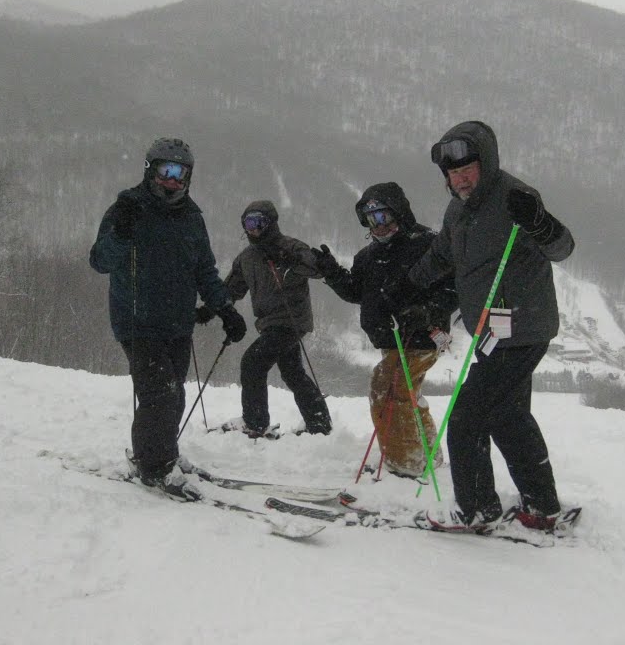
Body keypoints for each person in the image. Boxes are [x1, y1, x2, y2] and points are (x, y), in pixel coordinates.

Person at [408, 120, 575, 534]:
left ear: (486, 163)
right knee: (507, 416)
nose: (461, 179)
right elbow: (441, 256)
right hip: (493, 332)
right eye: (453, 173)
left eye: (468, 169)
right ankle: (541, 506)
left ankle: (478, 508)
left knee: (467, 418)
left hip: (522, 326)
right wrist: (407, 287)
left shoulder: (516, 198)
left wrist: (538, 221)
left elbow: (561, 247)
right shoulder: (457, 210)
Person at [89, 137, 248, 501]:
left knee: (174, 396)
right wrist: (121, 233)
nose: (174, 180)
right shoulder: (127, 208)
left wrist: (225, 309)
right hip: (137, 321)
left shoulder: (191, 217)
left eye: (182, 173)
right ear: (151, 170)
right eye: (167, 171)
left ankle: (160, 455)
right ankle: (155, 468)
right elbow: (100, 261)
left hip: (178, 322)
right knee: (160, 393)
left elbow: (204, 270)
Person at [313, 182, 458, 480]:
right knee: (404, 391)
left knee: (388, 387)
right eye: (371, 219)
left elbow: (454, 288)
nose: (378, 225)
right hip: (389, 339)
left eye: (383, 216)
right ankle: (426, 454)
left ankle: (404, 464)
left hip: (421, 335)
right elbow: (355, 292)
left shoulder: (426, 244)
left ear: (399, 213)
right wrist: (332, 272)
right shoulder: (367, 256)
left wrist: (427, 311)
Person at [199, 200, 333, 438]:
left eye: (258, 222)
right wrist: (209, 311)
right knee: (292, 372)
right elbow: (231, 289)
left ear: (271, 222)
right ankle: (319, 423)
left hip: (291, 321)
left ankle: (255, 423)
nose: (253, 229)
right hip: (269, 324)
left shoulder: (290, 247)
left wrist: (290, 259)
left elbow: (317, 269)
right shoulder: (247, 257)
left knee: (252, 363)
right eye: (248, 224)